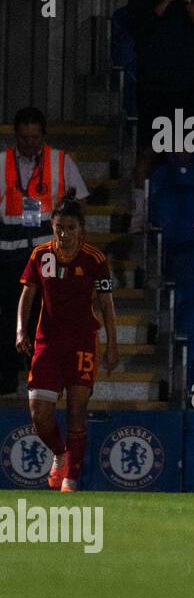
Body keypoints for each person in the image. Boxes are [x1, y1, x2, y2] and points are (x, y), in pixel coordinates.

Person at [14, 197, 117, 491]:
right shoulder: (40, 255)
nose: (64, 234)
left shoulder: (95, 260)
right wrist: (22, 329)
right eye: (59, 228)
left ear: (81, 229)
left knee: (76, 411)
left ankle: (71, 477)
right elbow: (27, 295)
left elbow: (107, 304)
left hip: (83, 342)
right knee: (39, 414)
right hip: (48, 344)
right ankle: (60, 453)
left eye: (70, 228)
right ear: (52, 226)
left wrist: (113, 344)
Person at [1, 108, 90, 394]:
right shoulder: (2, 163)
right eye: (24, 137)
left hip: (47, 254)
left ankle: (39, 373)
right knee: (8, 316)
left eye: (34, 137)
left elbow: (81, 204)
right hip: (8, 254)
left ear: (43, 136)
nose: (29, 143)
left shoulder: (61, 161)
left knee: (46, 315)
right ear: (16, 136)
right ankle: (6, 374)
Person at [124, 0, 194, 231]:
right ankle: (139, 213)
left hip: (184, 89)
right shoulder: (139, 2)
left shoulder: (190, 0)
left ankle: (183, 211)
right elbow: (148, 22)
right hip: (153, 90)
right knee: (147, 153)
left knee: (184, 152)